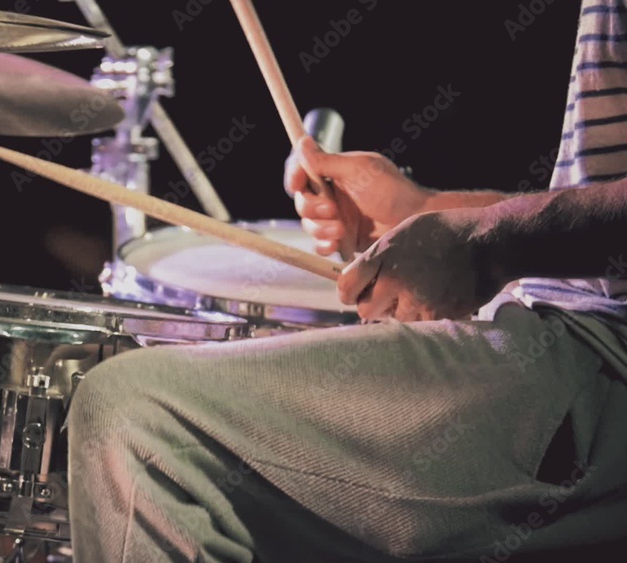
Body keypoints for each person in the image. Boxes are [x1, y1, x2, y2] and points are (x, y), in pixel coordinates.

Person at [64, 1, 627, 561]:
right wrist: (423, 211)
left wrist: (489, 243)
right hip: (571, 337)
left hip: (602, 366)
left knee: (138, 417)